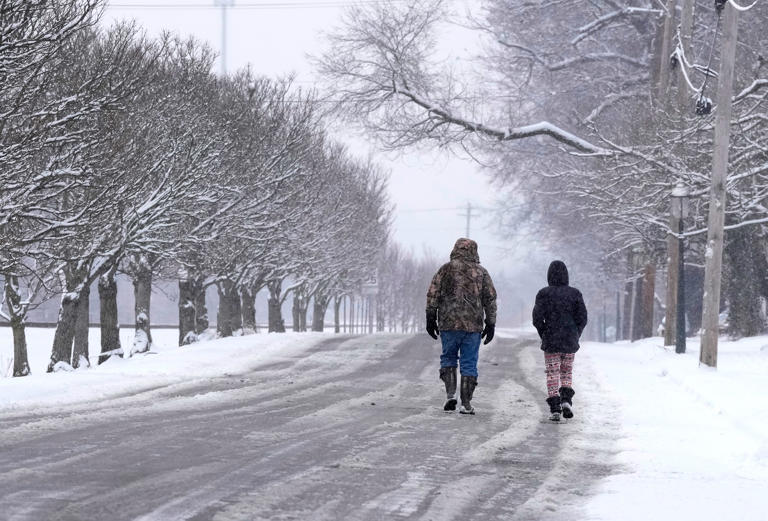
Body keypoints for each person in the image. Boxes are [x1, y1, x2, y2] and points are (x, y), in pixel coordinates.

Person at [426, 238, 497, 415]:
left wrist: (430, 316)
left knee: (448, 357)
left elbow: (433, 293)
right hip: (472, 326)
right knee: (469, 362)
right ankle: (466, 403)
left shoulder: (445, 269)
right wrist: (491, 322)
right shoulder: (481, 273)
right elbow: (490, 299)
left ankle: (450, 395)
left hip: (448, 323)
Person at [532, 260, 588, 422]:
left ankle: (555, 407)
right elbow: (582, 318)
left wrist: (544, 333)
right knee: (566, 371)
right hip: (570, 338)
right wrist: (575, 333)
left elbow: (537, 318)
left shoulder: (543, 293)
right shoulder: (575, 294)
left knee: (552, 373)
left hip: (551, 338)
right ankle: (566, 400)